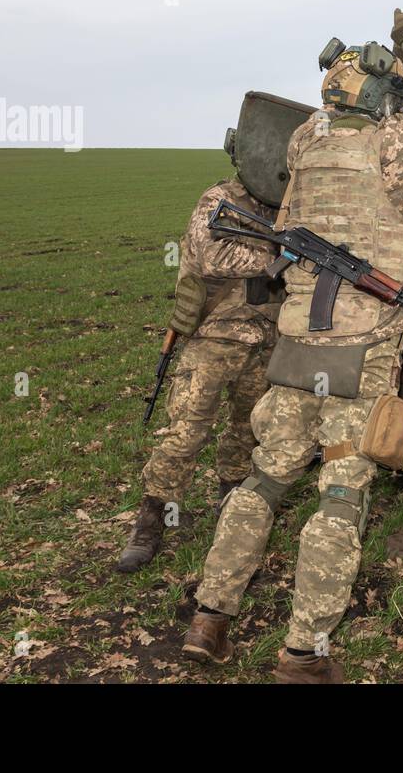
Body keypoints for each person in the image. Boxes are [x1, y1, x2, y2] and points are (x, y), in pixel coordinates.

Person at [181, 9, 403, 683]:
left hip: (296, 344)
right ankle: (304, 654)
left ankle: (210, 618)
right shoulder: (393, 148)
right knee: (340, 493)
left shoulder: (305, 144)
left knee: (266, 477)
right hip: (360, 352)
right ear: (378, 103)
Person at [117, 147, 281, 573]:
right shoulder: (219, 199)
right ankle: (151, 520)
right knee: (186, 432)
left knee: (248, 430)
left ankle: (229, 500)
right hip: (215, 337)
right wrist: (280, 258)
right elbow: (213, 257)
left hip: (266, 339)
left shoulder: (289, 206)